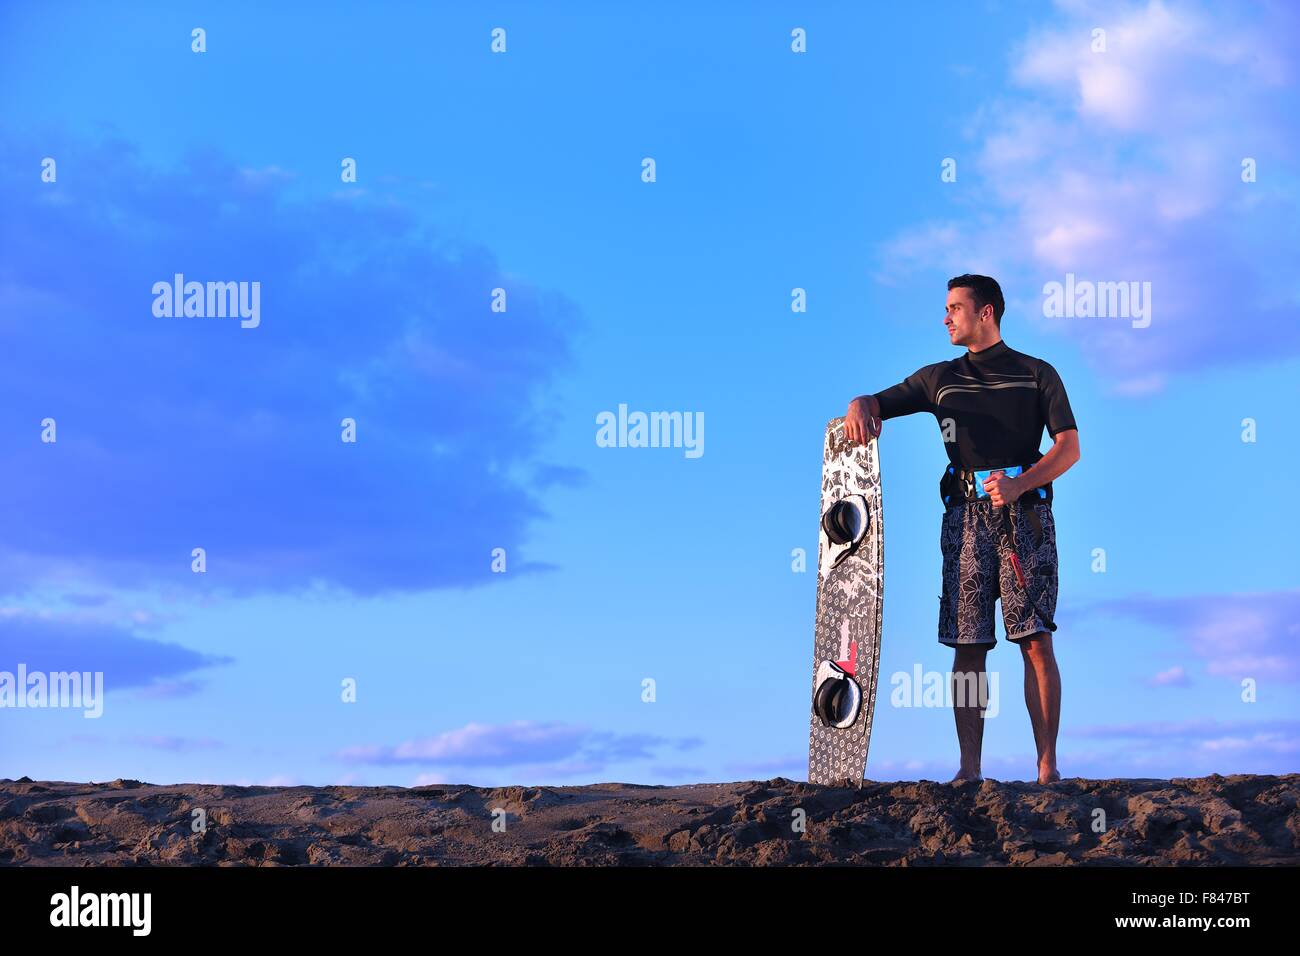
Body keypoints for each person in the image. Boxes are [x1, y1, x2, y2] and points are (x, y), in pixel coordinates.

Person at [844, 274, 1080, 785]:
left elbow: (1068, 448)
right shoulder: (939, 379)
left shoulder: (1038, 374)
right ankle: (969, 770)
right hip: (965, 522)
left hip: (1028, 520)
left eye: (955, 307)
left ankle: (1047, 767)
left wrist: (1021, 486)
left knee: (1035, 640)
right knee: (968, 644)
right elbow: (878, 402)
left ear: (986, 313)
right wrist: (860, 404)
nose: (946, 317)